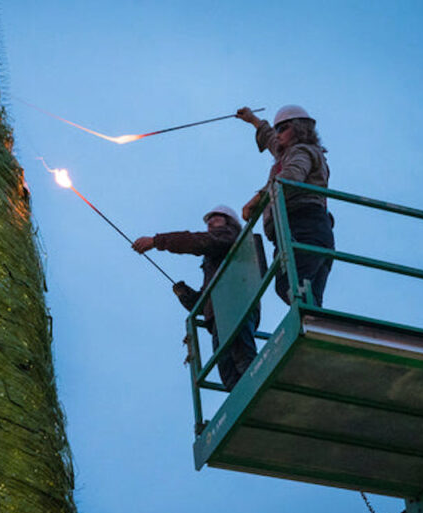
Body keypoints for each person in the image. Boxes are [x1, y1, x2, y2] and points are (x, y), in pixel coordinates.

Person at [132, 206, 258, 391]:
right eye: (209, 220)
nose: (211, 222)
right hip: (220, 313)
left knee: (241, 357)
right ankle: (245, 399)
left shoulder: (228, 235)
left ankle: (254, 390)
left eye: (216, 218)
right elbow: (204, 301)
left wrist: (156, 241)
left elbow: (198, 241)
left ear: (229, 222)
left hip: (235, 304)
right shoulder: (216, 258)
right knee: (227, 368)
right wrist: (188, 296)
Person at [237, 104, 334, 307]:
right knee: (307, 294)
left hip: (303, 226)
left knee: (290, 284)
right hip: (309, 231)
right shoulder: (289, 151)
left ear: (299, 129)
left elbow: (291, 177)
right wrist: (253, 120)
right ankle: (315, 324)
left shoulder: (301, 151)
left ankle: (313, 322)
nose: (277, 134)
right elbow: (270, 138)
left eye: (283, 129)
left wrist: (257, 199)